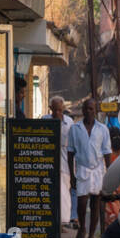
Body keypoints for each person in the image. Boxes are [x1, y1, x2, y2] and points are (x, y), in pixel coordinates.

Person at [68, 98, 113, 238]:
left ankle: (92, 236)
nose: (88, 111)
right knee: (81, 202)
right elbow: (70, 153)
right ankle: (82, 228)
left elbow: (107, 152)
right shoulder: (75, 129)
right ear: (82, 110)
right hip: (82, 169)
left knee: (96, 203)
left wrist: (110, 174)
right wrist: (71, 175)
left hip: (98, 170)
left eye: (91, 109)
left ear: (95, 110)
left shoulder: (102, 129)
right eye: (86, 109)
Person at [48, 96, 76, 229]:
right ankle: (53, 222)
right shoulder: (45, 120)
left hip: (65, 163)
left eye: (60, 110)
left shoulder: (69, 122)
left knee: (64, 194)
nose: (58, 113)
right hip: (48, 162)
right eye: (55, 110)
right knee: (51, 194)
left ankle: (62, 222)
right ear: (51, 109)